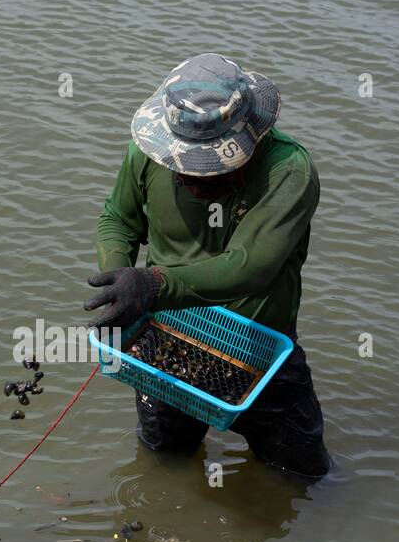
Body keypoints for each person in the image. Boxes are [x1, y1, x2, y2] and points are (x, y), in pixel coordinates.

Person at [83, 53, 330, 477]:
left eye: (208, 169)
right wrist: (122, 285)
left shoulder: (288, 172)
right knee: (163, 467)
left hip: (257, 349)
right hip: (164, 342)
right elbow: (118, 220)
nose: (187, 178)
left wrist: (154, 285)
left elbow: (250, 268)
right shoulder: (150, 153)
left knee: (302, 478)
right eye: (182, 168)